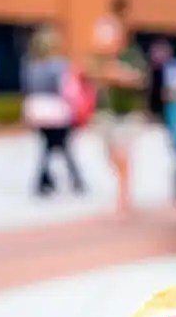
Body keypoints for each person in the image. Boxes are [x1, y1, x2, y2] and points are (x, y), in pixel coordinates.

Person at [87, 14, 148, 215]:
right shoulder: (98, 59)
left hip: (128, 114)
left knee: (122, 154)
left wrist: (121, 76)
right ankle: (122, 184)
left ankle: (123, 197)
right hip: (105, 114)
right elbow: (89, 76)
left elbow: (140, 79)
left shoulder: (131, 56)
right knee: (110, 155)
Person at [22, 26, 86, 196]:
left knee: (49, 146)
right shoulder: (60, 65)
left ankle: (47, 180)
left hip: (38, 110)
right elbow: (68, 89)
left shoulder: (31, 65)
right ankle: (74, 180)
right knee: (62, 145)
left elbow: (27, 89)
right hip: (57, 110)